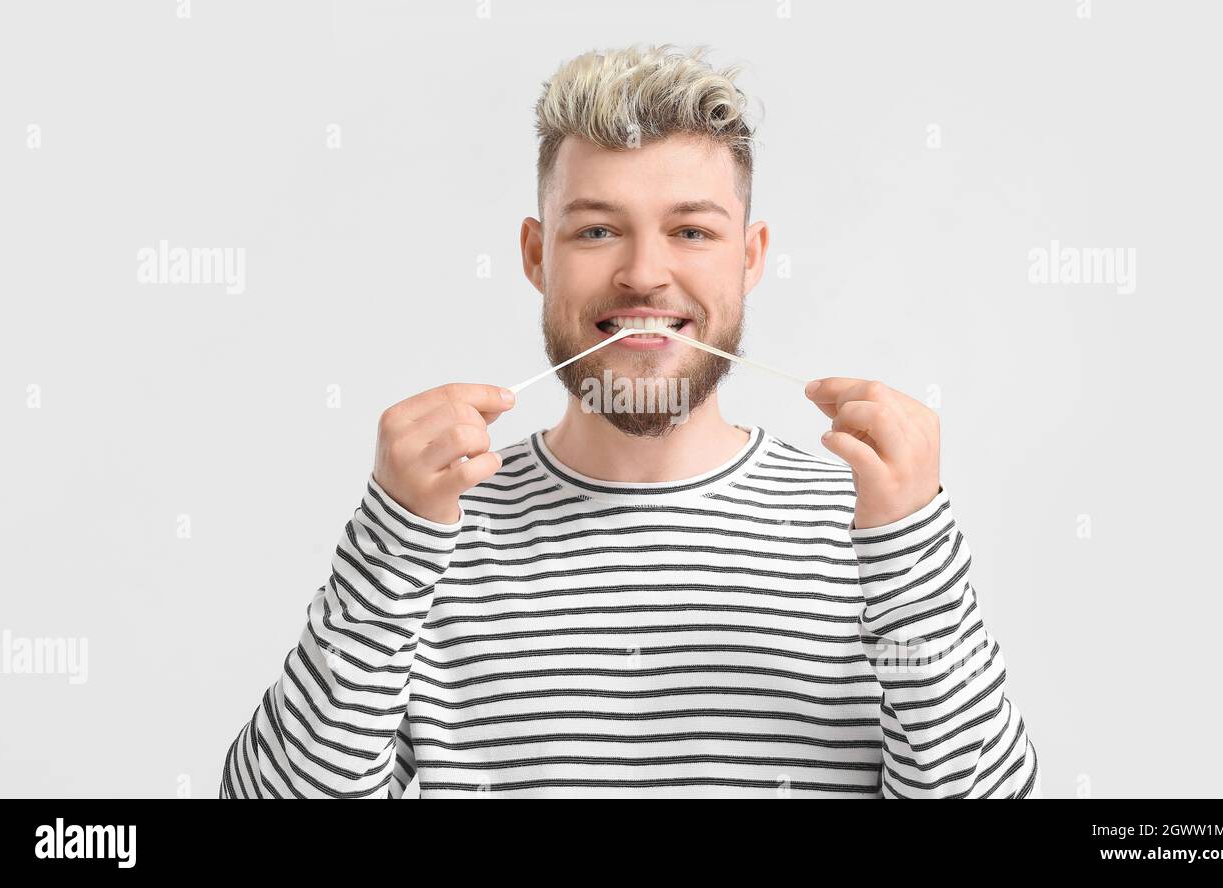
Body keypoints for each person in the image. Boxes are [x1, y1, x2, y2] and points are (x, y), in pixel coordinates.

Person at [221, 43, 1039, 798]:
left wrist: (911, 545)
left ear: (749, 257)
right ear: (537, 255)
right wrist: (393, 541)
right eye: (599, 230)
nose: (645, 274)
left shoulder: (873, 530)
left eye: (691, 230)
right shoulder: (425, 536)